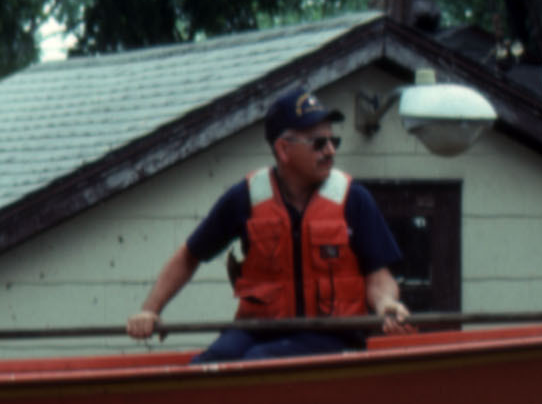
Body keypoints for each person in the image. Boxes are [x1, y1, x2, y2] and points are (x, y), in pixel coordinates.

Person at [127, 88, 413, 361]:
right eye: (318, 143)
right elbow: (190, 255)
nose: (330, 151)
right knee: (208, 364)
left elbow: (379, 276)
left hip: (332, 336)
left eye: (333, 141)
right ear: (283, 150)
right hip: (258, 331)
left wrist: (386, 303)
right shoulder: (245, 199)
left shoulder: (354, 199)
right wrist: (149, 311)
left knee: (257, 363)